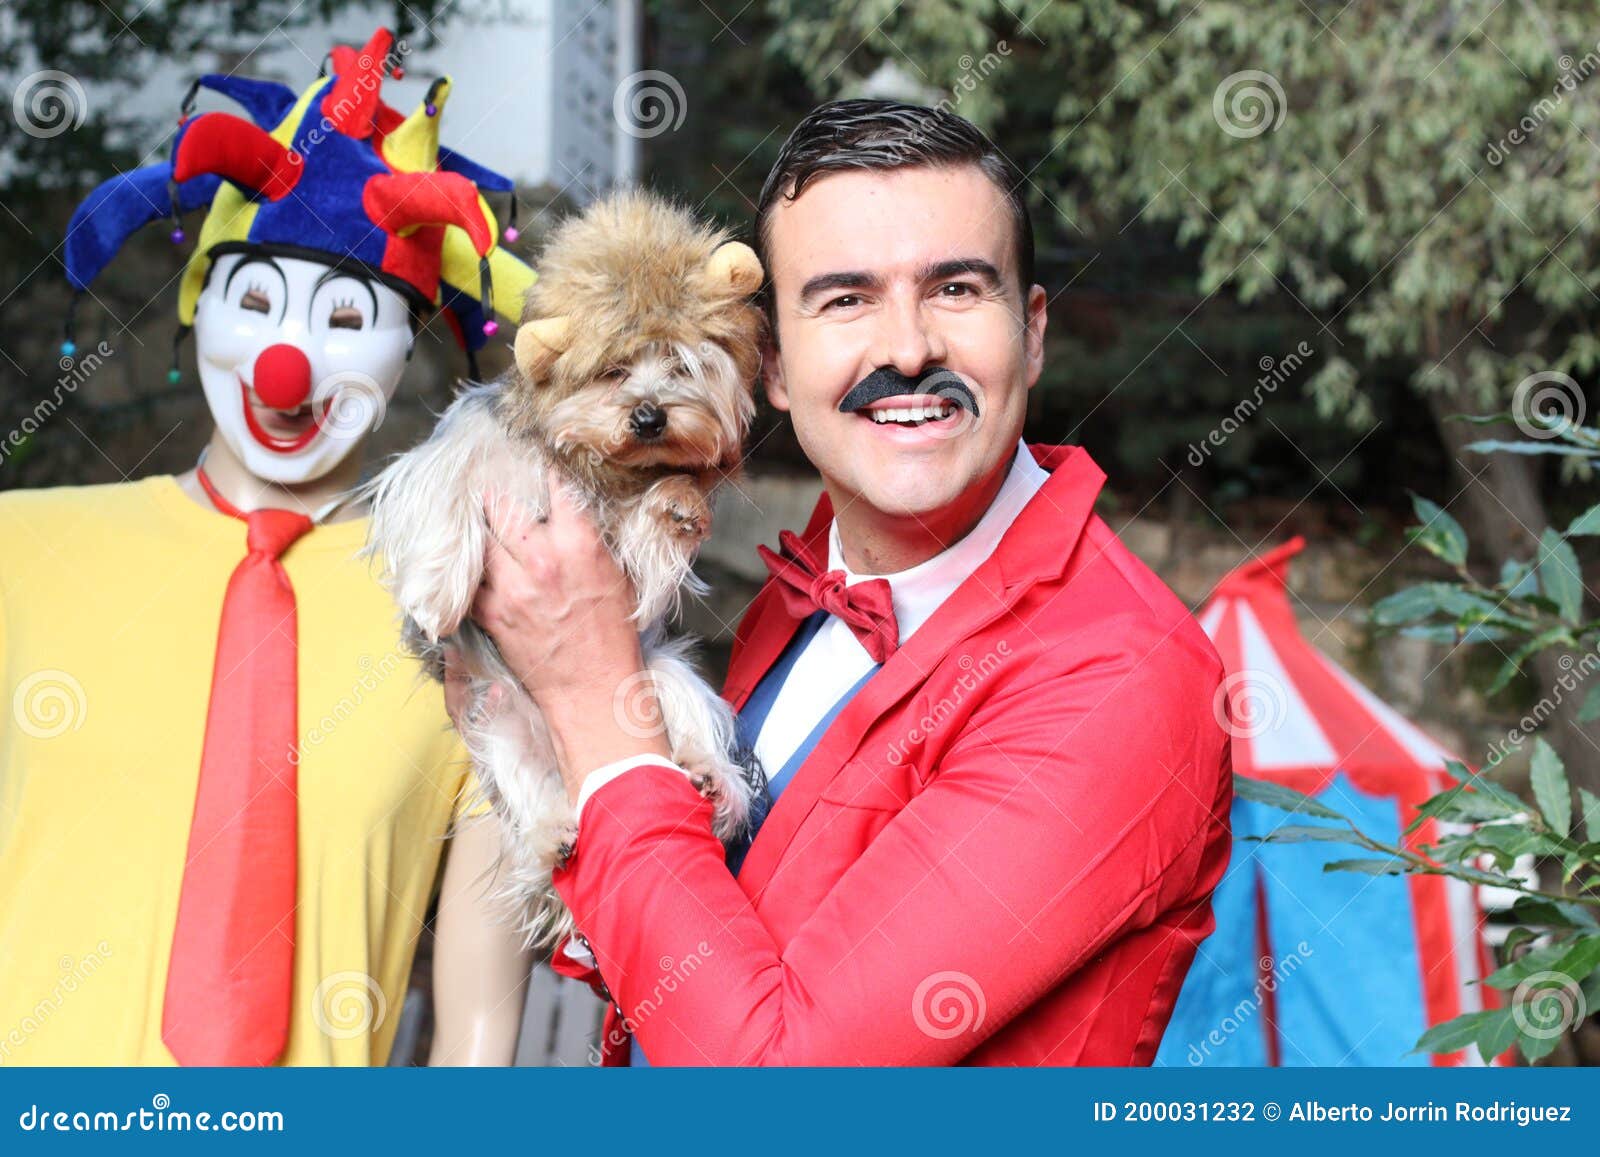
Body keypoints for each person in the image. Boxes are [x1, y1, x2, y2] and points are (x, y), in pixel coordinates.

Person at [466, 99, 1234, 1066]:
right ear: (773, 365)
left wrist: (591, 706)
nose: (907, 348)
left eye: (956, 288)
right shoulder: (808, 578)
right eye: (846, 299)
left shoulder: (1116, 676)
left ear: (1031, 335)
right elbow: (693, 933)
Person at [0, 28, 533, 1066]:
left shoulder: (471, 622)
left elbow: (479, 1038)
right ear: (200, 310)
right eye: (255, 301)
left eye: (345, 317)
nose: (288, 363)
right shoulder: (21, 552)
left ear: (407, 346)